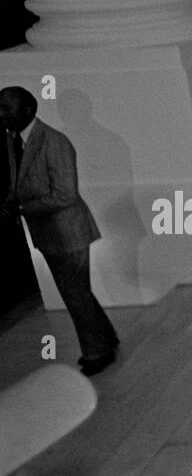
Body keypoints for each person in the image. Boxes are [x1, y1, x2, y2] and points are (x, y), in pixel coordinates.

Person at [0, 86, 118, 375]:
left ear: (28, 111)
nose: (1, 114)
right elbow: (19, 180)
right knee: (77, 292)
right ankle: (105, 339)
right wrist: (11, 202)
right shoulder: (13, 138)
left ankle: (97, 352)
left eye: (7, 109)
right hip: (50, 233)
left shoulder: (54, 142)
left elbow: (65, 195)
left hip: (69, 232)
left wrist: (23, 209)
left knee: (75, 293)